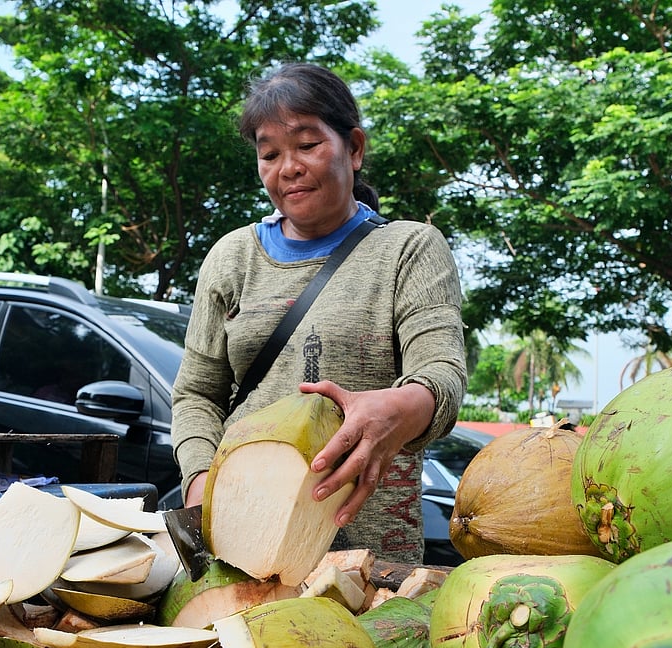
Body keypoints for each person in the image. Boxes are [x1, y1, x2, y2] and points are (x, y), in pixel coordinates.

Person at [171, 62, 466, 564]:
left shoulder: (410, 248)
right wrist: (201, 481)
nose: (288, 168)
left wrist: (396, 410)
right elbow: (197, 394)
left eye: (307, 145)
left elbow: (441, 375)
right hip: (240, 544)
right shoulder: (231, 258)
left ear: (354, 148)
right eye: (269, 154)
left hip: (371, 559)